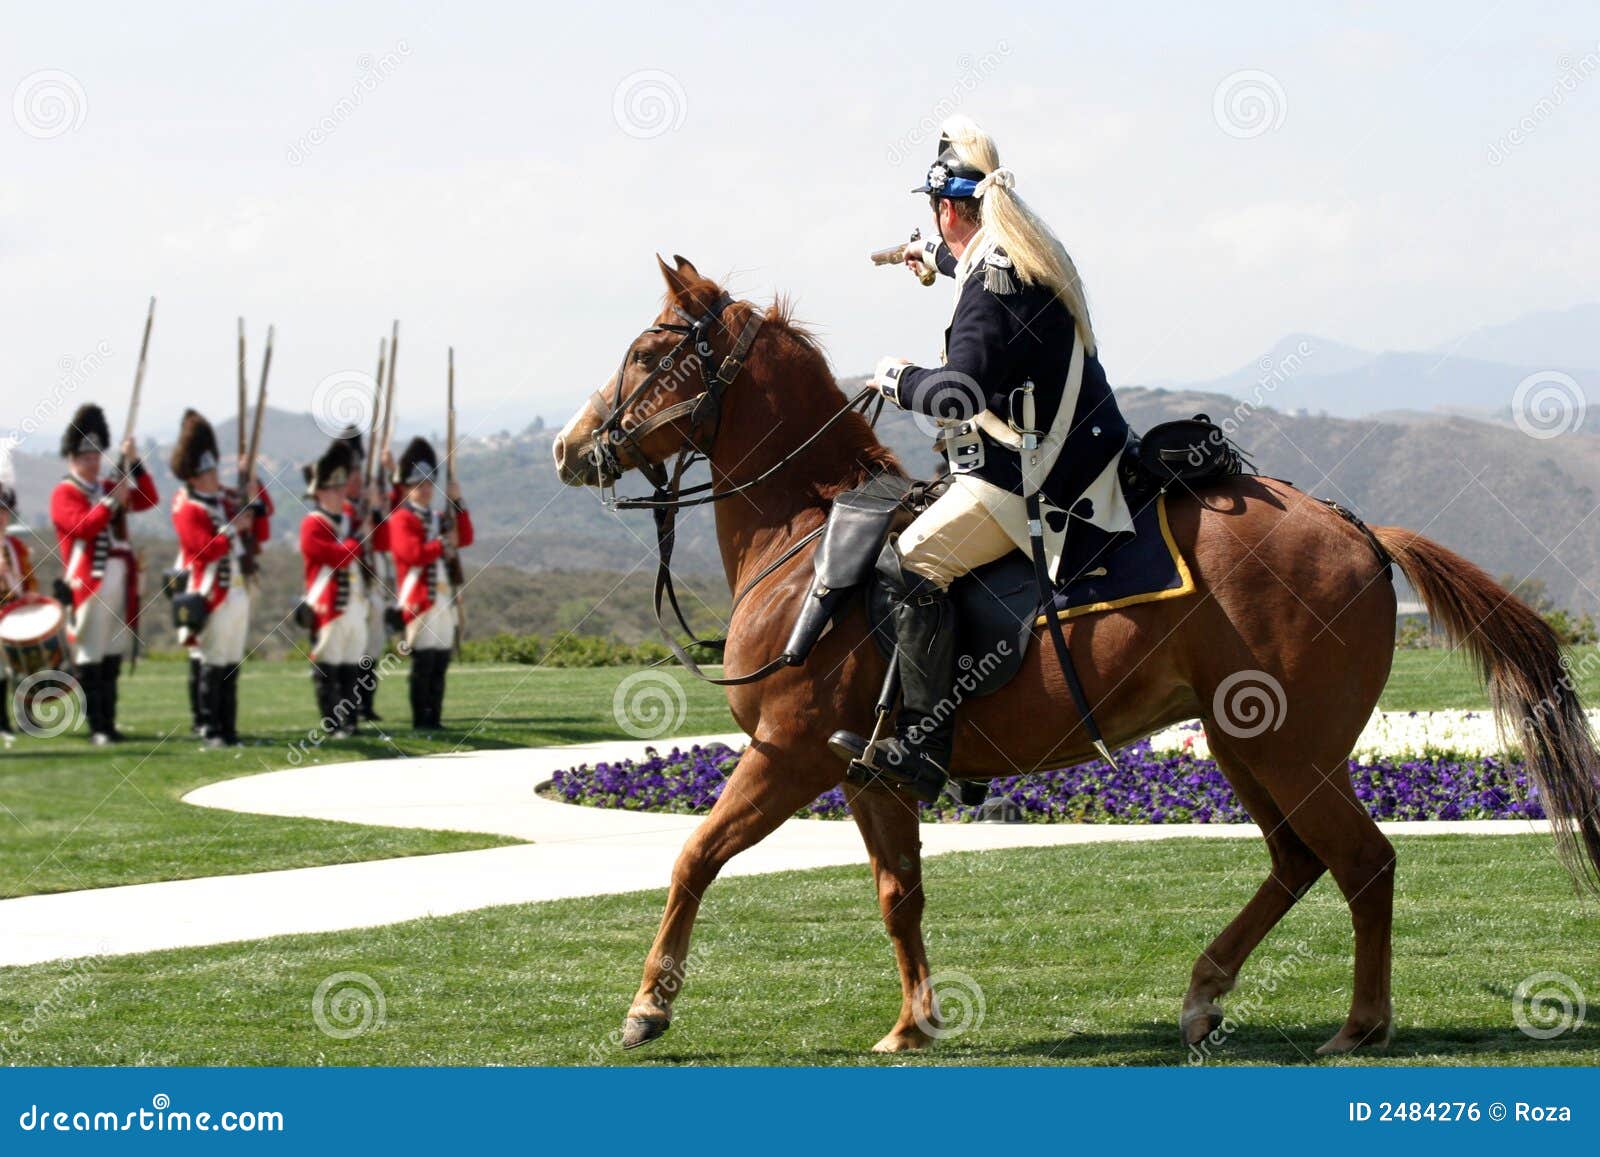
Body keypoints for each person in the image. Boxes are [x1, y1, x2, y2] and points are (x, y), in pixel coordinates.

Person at [837, 115, 1131, 801]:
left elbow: (956, 392)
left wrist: (895, 377)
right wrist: (933, 258)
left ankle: (929, 746)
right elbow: (977, 274)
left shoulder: (989, 278)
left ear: (946, 209)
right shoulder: (1022, 248)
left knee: (908, 563)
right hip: (1080, 455)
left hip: (1030, 478)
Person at [50, 404, 159, 745]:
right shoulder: (65, 492)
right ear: (72, 457)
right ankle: (96, 725)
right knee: (90, 655)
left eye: (96, 456)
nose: (93, 462)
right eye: (85, 457)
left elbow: (147, 499)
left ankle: (109, 722)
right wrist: (113, 501)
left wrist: (134, 462)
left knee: (112, 655)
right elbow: (84, 527)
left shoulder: (107, 487)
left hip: (119, 579)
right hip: (89, 581)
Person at [170, 410, 271, 748]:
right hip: (212, 592)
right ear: (195, 477)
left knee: (230, 663)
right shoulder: (190, 509)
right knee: (213, 663)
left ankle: (229, 729)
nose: (215, 475)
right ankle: (212, 729)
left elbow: (262, 519)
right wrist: (234, 528)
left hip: (238, 592)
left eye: (214, 469)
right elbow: (202, 551)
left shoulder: (227, 501)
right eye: (208, 471)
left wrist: (250, 477)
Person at [386, 437, 472, 731]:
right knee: (423, 664)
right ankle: (420, 720)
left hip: (444, 600)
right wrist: (441, 544)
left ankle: (434, 718)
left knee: (440, 662)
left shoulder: (438, 517)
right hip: (419, 599)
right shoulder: (401, 519)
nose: (424, 490)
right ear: (407, 488)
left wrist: (458, 503)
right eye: (418, 485)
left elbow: (466, 537)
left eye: (427, 485)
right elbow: (412, 555)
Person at [299, 441, 372, 737]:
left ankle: (351, 720)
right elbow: (339, 557)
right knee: (329, 664)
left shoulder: (348, 521)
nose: (340, 493)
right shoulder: (312, 524)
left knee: (351, 665)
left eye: (341, 488)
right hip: (328, 605)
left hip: (353, 603)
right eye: (333, 488)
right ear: (319, 492)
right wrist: (358, 539)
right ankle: (332, 721)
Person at [336, 426, 389, 725]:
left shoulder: (368, 498)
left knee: (372, 643)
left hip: (372, 573)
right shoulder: (339, 506)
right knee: (352, 642)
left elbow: (383, 541)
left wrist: (377, 513)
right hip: (348, 578)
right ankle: (348, 706)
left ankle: (366, 703)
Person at [1, 450, 39, 740]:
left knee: (22, 668)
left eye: (5, 511)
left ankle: (27, 717)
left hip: (16, 614)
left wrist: (30, 596)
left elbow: (29, 580)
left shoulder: (15, 546)